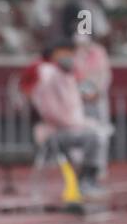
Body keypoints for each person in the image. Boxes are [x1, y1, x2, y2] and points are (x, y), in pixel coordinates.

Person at [28, 38, 106, 193]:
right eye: (65, 52)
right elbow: (50, 112)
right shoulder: (46, 74)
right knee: (92, 137)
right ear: (54, 54)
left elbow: (90, 94)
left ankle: (87, 179)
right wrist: (75, 124)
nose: (69, 56)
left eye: (71, 53)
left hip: (72, 129)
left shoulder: (70, 75)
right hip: (54, 132)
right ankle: (86, 181)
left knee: (97, 133)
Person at [73, 30, 112, 179]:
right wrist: (83, 93)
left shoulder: (99, 52)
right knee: (80, 132)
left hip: (98, 99)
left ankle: (99, 166)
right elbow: (74, 76)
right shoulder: (74, 54)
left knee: (101, 133)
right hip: (80, 100)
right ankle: (80, 167)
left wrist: (96, 93)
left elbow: (104, 75)